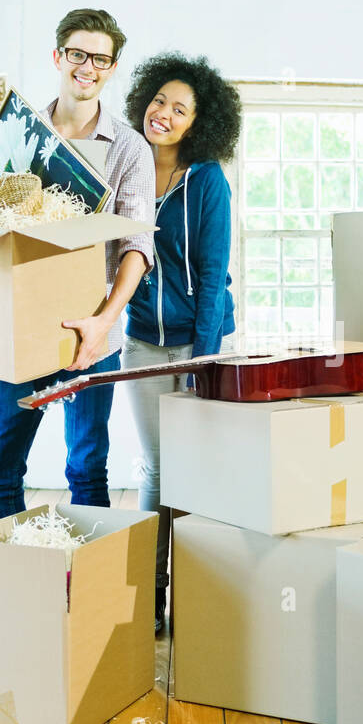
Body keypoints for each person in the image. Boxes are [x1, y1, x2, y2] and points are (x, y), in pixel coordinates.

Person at [0, 8, 155, 661]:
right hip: (16, 336)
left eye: (100, 58)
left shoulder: (128, 149)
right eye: (76, 54)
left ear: (112, 68)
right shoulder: (16, 136)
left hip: (89, 337)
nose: (87, 67)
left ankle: (82, 618)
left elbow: (137, 249)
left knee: (85, 466)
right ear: (58, 57)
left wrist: (103, 322)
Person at [120, 52, 241, 634]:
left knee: (196, 471)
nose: (163, 113)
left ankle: (196, 598)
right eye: (160, 100)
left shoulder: (208, 180)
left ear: (200, 122)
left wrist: (204, 358)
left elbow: (214, 273)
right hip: (142, 343)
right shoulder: (128, 168)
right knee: (158, 469)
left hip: (200, 341)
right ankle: (151, 601)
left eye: (180, 108)